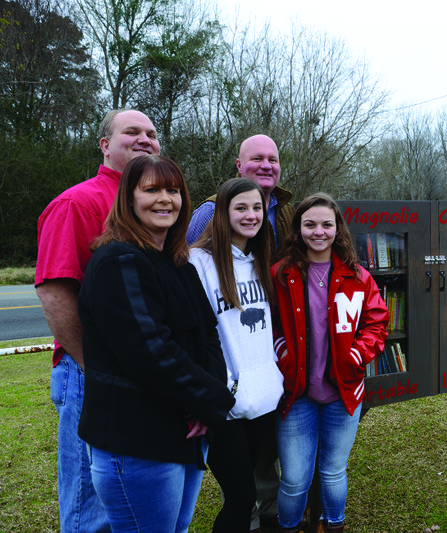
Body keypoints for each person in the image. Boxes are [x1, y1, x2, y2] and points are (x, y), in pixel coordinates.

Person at [77, 155, 235, 530]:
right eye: (151, 190)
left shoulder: (177, 262)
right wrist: (210, 402)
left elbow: (208, 334)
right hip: (137, 443)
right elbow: (150, 351)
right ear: (128, 199)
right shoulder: (118, 261)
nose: (165, 199)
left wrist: (203, 406)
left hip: (184, 433)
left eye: (173, 190)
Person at [35, 109, 160, 532]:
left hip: (136, 371)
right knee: (90, 501)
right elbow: (54, 291)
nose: (145, 139)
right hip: (91, 370)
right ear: (105, 145)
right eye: (132, 132)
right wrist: (94, 364)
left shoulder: (152, 205)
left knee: (122, 488)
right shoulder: (78, 202)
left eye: (152, 134)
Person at [187, 133, 294, 531]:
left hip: (264, 388)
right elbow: (193, 325)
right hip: (224, 393)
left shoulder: (264, 250)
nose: (251, 215)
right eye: (241, 208)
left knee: (258, 475)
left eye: (273, 158)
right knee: (239, 497)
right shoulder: (200, 254)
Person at [271, 193, 389, 533]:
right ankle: (290, 526)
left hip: (343, 391)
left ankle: (333, 526)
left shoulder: (358, 277)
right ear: (298, 229)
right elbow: (270, 323)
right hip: (296, 393)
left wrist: (356, 355)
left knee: (334, 470)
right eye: (310, 224)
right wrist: (283, 352)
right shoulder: (281, 274)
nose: (318, 231)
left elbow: (377, 323)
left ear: (338, 230)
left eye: (326, 224)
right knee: (294, 478)